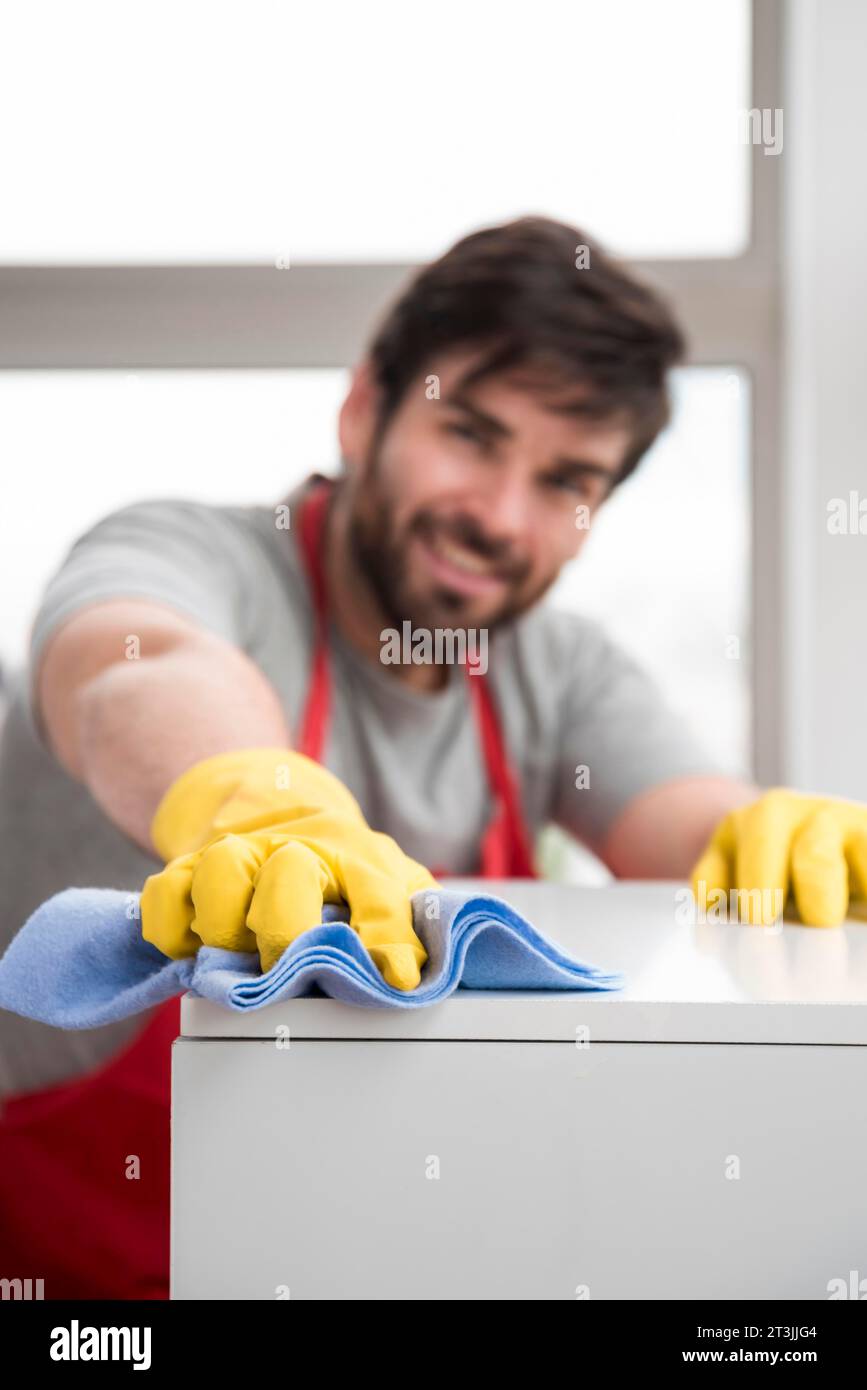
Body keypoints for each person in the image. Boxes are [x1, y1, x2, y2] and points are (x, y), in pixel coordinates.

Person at [1, 216, 863, 1296]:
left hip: (349, 1256)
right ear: (365, 408)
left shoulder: (554, 669)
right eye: (474, 436)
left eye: (566, 481)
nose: (500, 516)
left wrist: (767, 832)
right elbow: (133, 670)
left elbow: (690, 825)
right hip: (70, 1267)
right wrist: (251, 805)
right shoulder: (192, 555)